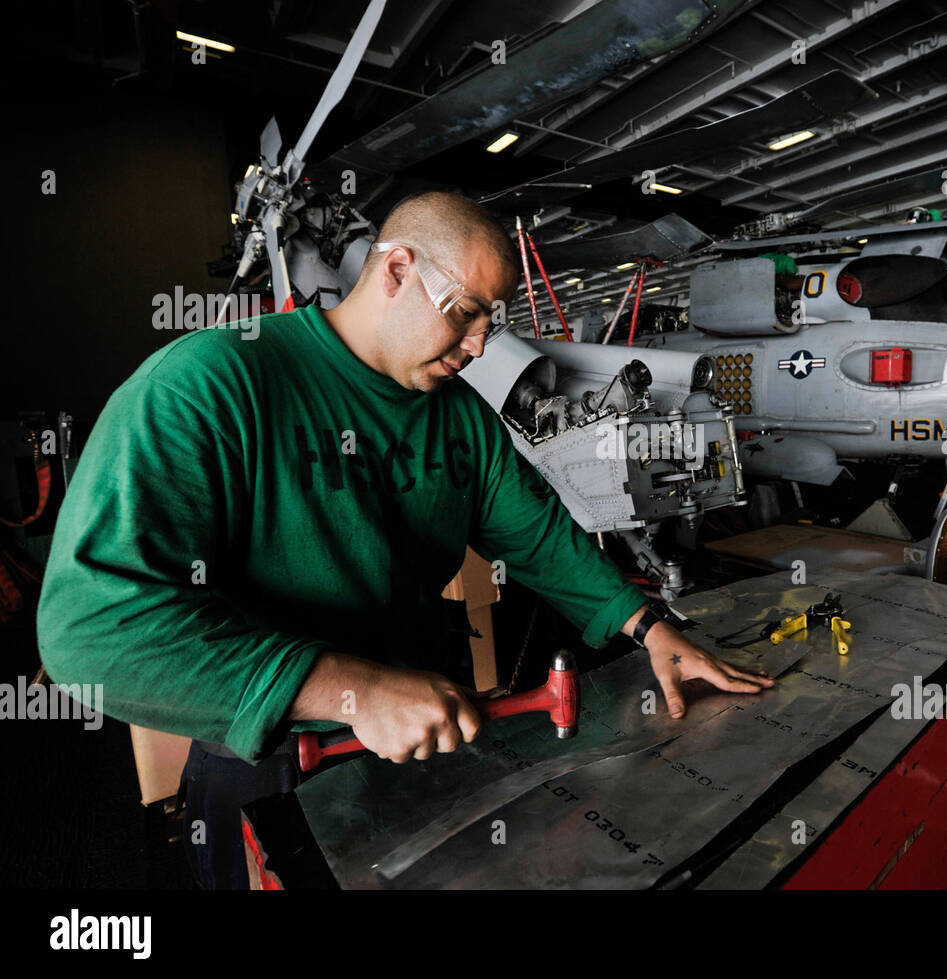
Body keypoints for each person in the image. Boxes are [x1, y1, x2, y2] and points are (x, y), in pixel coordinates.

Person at [36, 191, 774, 888]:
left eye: (494, 319)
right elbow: (90, 629)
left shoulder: (460, 419)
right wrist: (350, 690)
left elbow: (540, 538)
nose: (482, 344)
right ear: (395, 270)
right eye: (468, 312)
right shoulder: (209, 386)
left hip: (427, 748)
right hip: (277, 759)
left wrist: (647, 627)